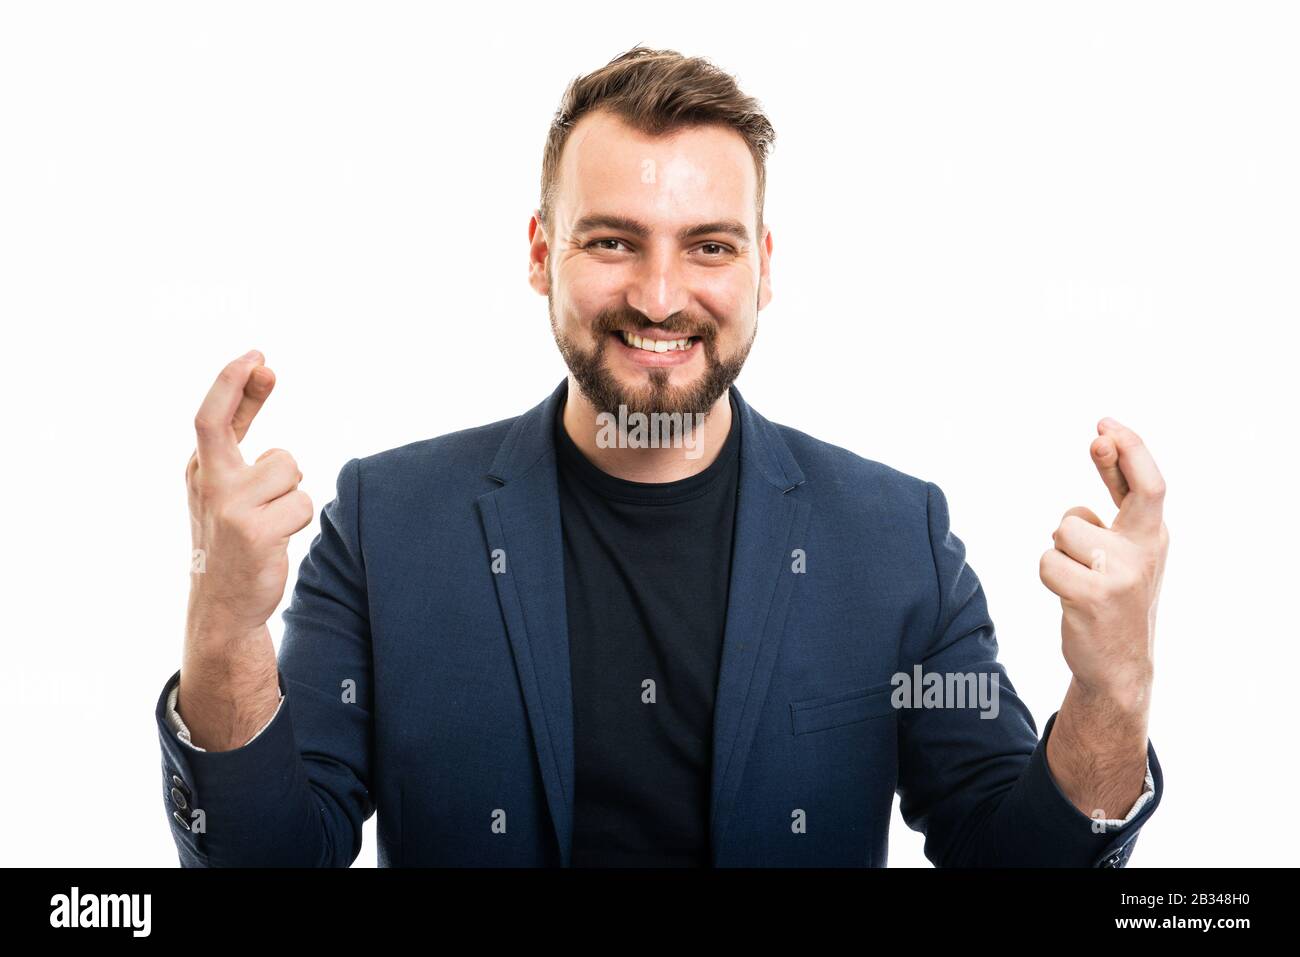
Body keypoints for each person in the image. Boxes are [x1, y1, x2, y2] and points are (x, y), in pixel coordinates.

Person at [159, 46, 1167, 867]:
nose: (657, 294)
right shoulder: (385, 525)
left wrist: (1111, 690)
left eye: (709, 246)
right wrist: (223, 631)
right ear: (539, 253)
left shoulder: (891, 540)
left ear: (764, 266)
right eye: (610, 243)